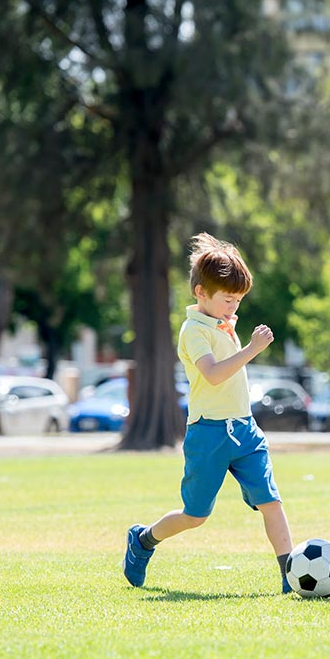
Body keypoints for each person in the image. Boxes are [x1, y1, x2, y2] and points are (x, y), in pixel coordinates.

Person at [123, 233, 294, 593]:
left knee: (271, 502)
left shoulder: (221, 321)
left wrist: (238, 335)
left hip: (245, 431)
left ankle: (289, 576)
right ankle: (143, 540)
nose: (234, 308)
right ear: (201, 293)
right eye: (228, 299)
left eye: (238, 301)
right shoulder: (192, 331)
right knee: (195, 516)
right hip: (208, 434)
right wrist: (251, 348)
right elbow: (214, 375)